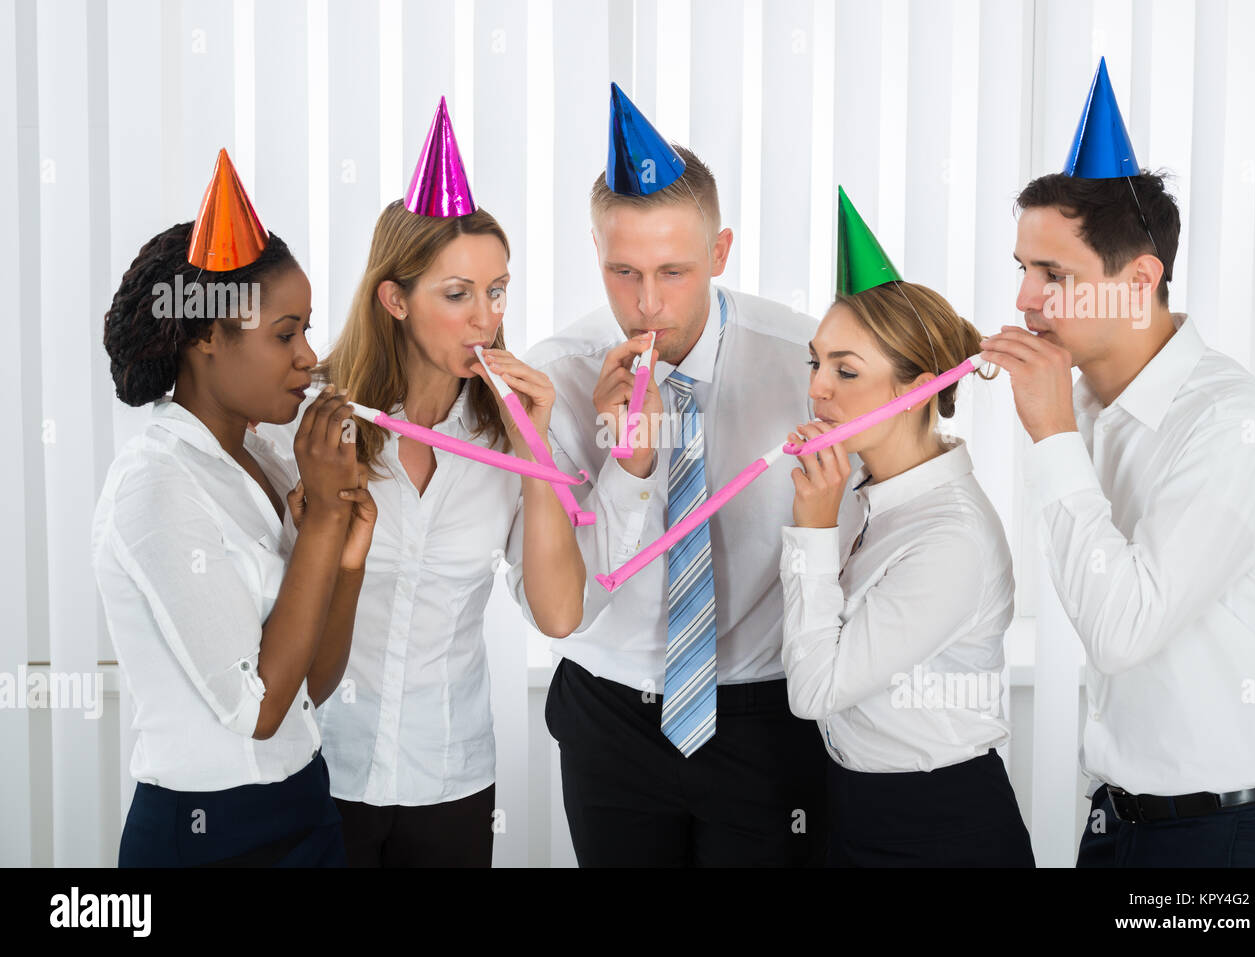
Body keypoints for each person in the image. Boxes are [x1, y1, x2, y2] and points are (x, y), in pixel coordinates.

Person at [511, 83, 857, 866]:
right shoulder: (554, 380)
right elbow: (556, 599)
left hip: (766, 717)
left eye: (673, 270)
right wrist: (627, 460)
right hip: (610, 714)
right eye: (623, 271)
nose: (647, 304)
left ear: (720, 252)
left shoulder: (807, 359)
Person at [979, 61, 1255, 866]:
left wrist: (1051, 437)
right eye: (1022, 268)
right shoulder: (1085, 404)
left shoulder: (1231, 423)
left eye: (1054, 275)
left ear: (1139, 280)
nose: (1024, 298)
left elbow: (1122, 626)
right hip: (1116, 822)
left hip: (1228, 834)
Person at [258, 100, 586, 867]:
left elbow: (559, 614)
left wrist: (537, 455)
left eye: (497, 290)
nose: (486, 319)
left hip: (452, 782)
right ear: (395, 299)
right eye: (457, 293)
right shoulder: (305, 421)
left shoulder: (512, 433)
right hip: (318, 768)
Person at [94, 151, 376, 867]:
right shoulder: (153, 484)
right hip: (207, 836)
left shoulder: (270, 461)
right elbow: (257, 709)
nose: (309, 357)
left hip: (307, 805)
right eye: (285, 334)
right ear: (206, 338)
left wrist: (345, 549)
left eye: (306, 329)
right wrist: (317, 526)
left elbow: (313, 683)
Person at [778, 189, 1033, 866]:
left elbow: (816, 691)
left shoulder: (950, 538)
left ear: (917, 388)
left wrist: (810, 529)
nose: (817, 389)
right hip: (853, 809)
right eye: (817, 362)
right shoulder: (865, 497)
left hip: (939, 829)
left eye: (846, 369)